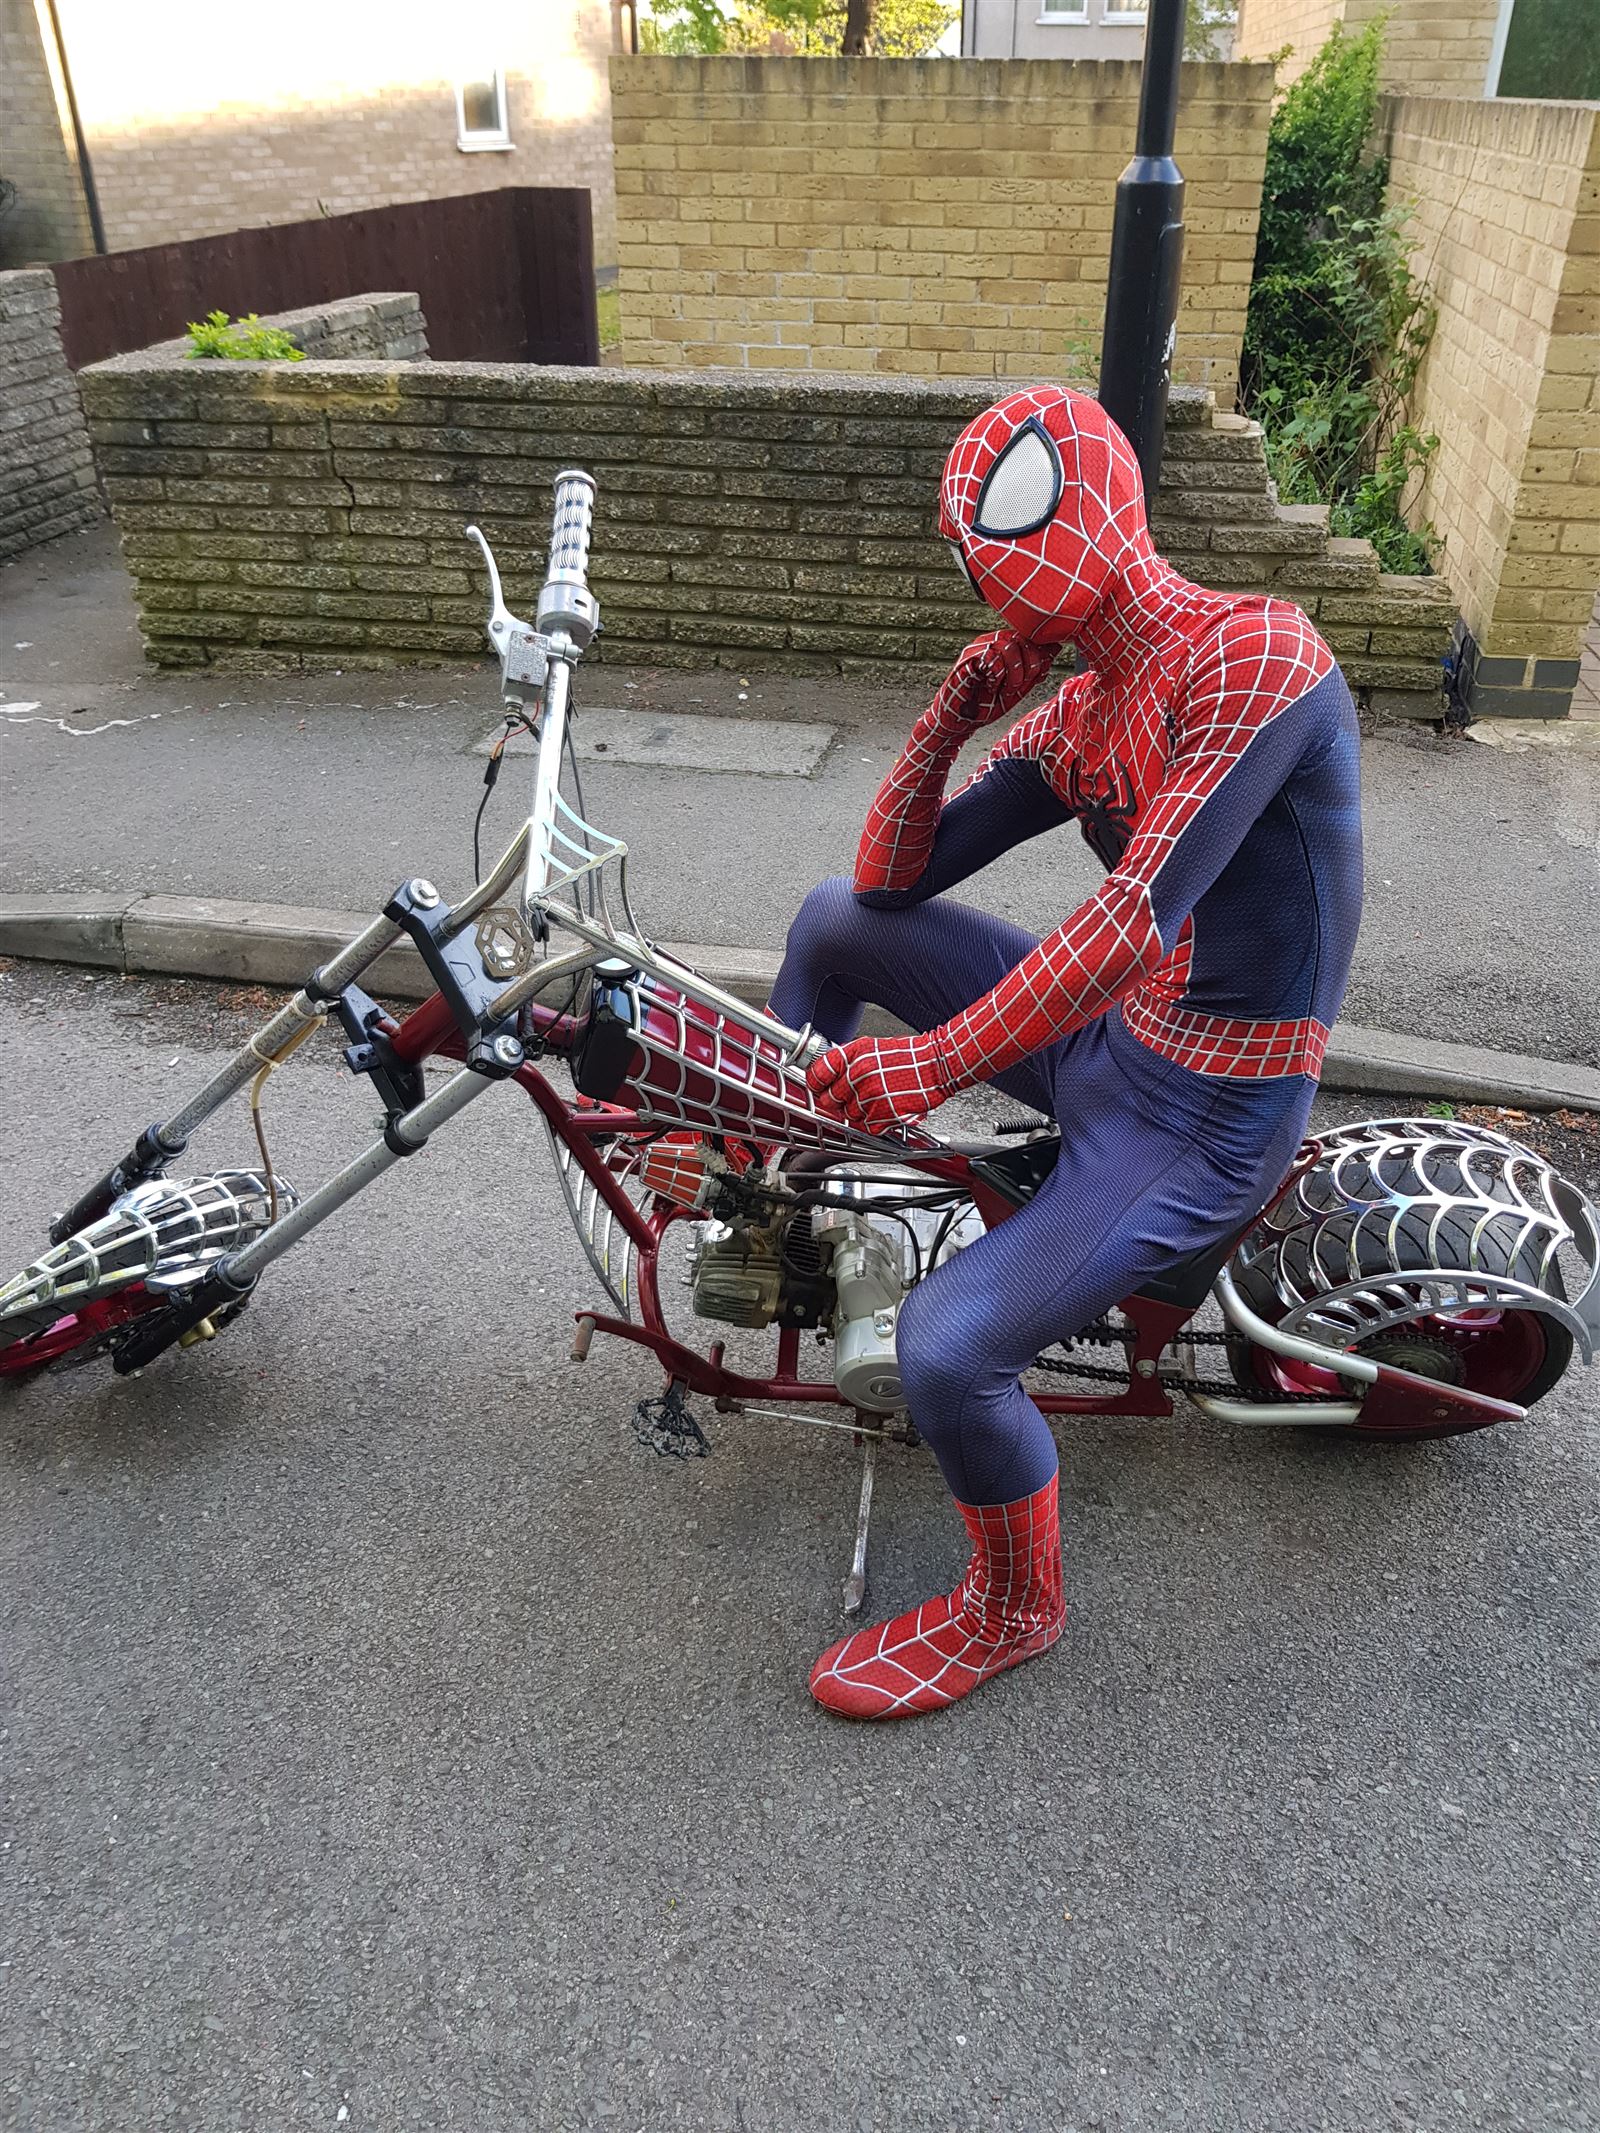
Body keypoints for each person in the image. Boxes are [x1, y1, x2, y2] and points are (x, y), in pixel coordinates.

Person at [768, 385, 1363, 1721]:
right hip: (1115, 1051)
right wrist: (952, 712)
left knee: (947, 1348)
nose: (993, 556)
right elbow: (891, 877)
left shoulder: (1256, 658)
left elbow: (1132, 927)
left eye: (1017, 513)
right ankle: (772, 1163)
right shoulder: (1084, 710)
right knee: (834, 920)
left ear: (1100, 492)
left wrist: (929, 1066)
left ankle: (1015, 1602)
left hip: (1209, 1114)